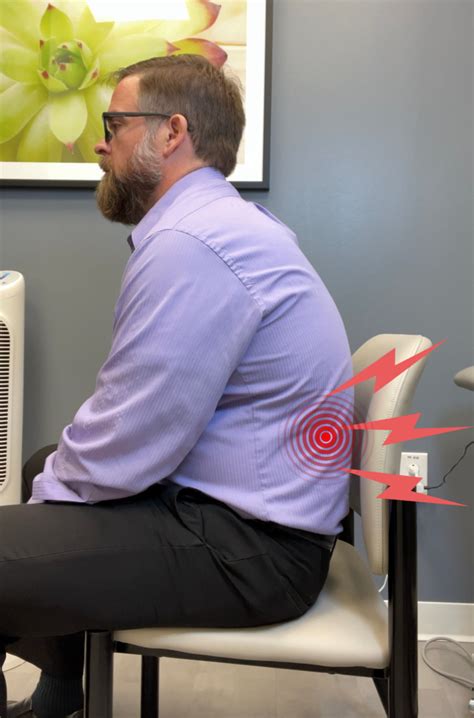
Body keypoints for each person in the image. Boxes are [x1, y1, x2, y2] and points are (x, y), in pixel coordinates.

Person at [0, 55, 353, 718]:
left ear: (171, 132)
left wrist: (41, 516)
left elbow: (134, 433)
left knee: (29, 518)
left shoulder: (195, 242)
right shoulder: (220, 225)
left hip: (254, 553)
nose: (101, 144)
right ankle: (61, 695)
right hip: (254, 526)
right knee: (45, 464)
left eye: (115, 125)